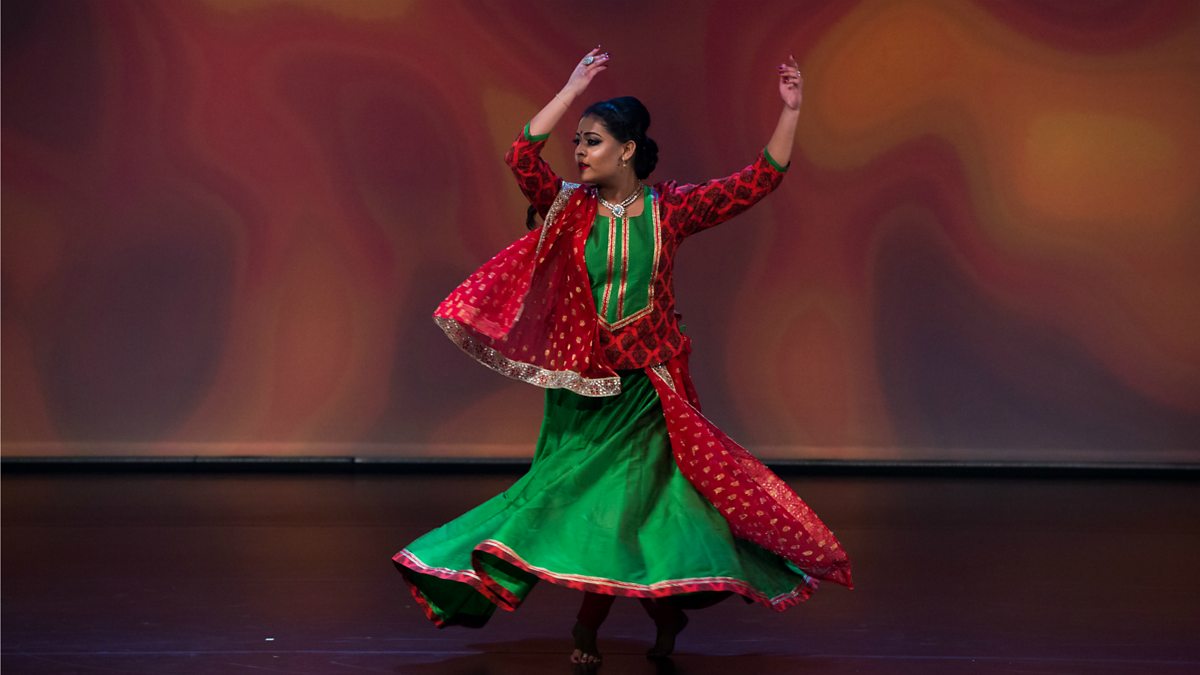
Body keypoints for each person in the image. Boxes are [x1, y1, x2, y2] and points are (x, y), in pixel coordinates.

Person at [392, 46, 853, 666]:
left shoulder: (671, 209)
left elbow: (758, 180)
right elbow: (521, 155)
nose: (580, 153)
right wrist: (570, 88)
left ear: (628, 149)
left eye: (593, 142)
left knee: (638, 511)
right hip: (586, 391)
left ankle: (594, 624)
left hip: (650, 389)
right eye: (578, 142)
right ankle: (654, 612)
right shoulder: (567, 207)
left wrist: (791, 110)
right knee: (583, 505)